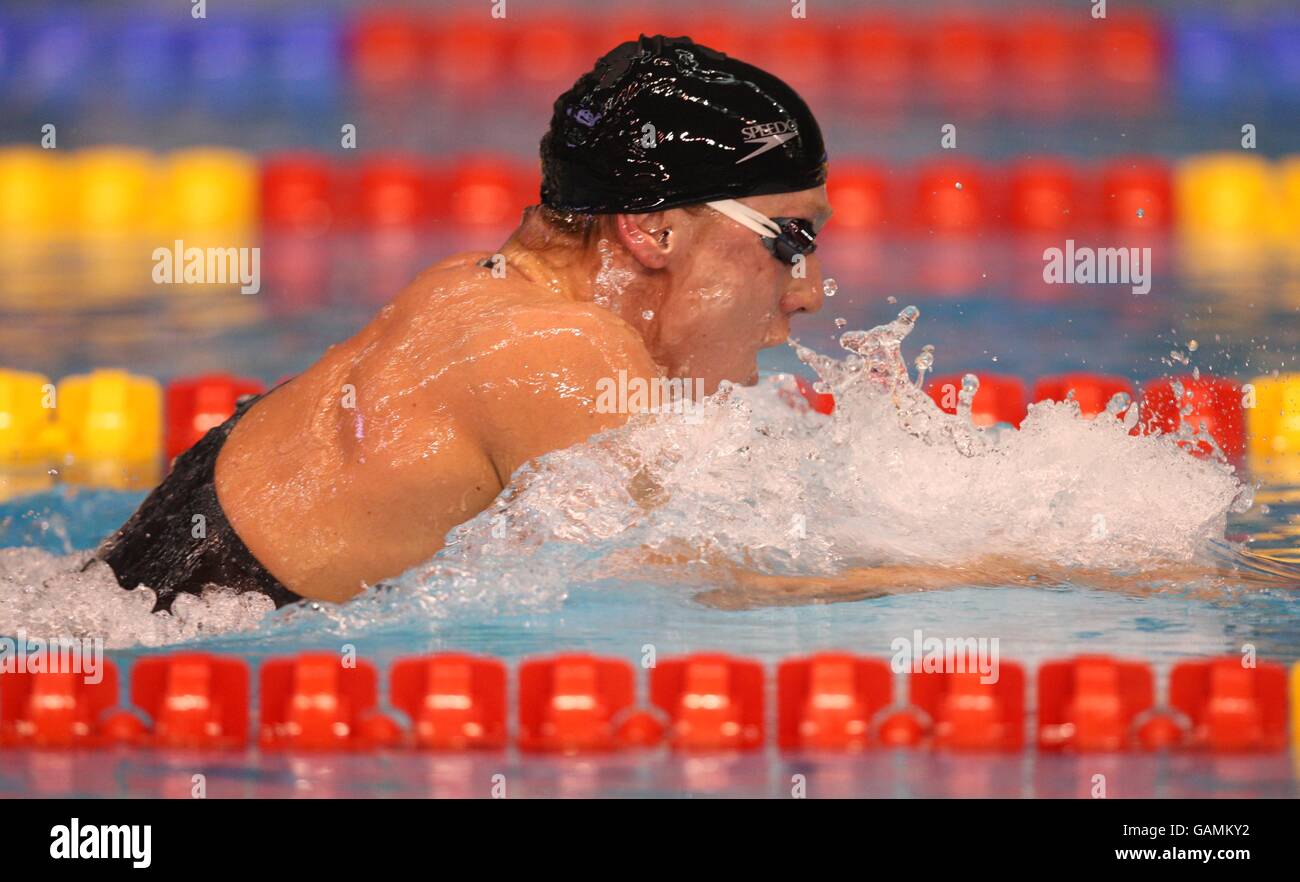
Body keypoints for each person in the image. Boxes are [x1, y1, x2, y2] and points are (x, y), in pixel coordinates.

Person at [96, 35, 833, 609]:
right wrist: (944, 579)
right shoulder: (564, 351)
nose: (810, 291)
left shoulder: (469, 286)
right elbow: (697, 595)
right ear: (654, 231)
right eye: (791, 240)